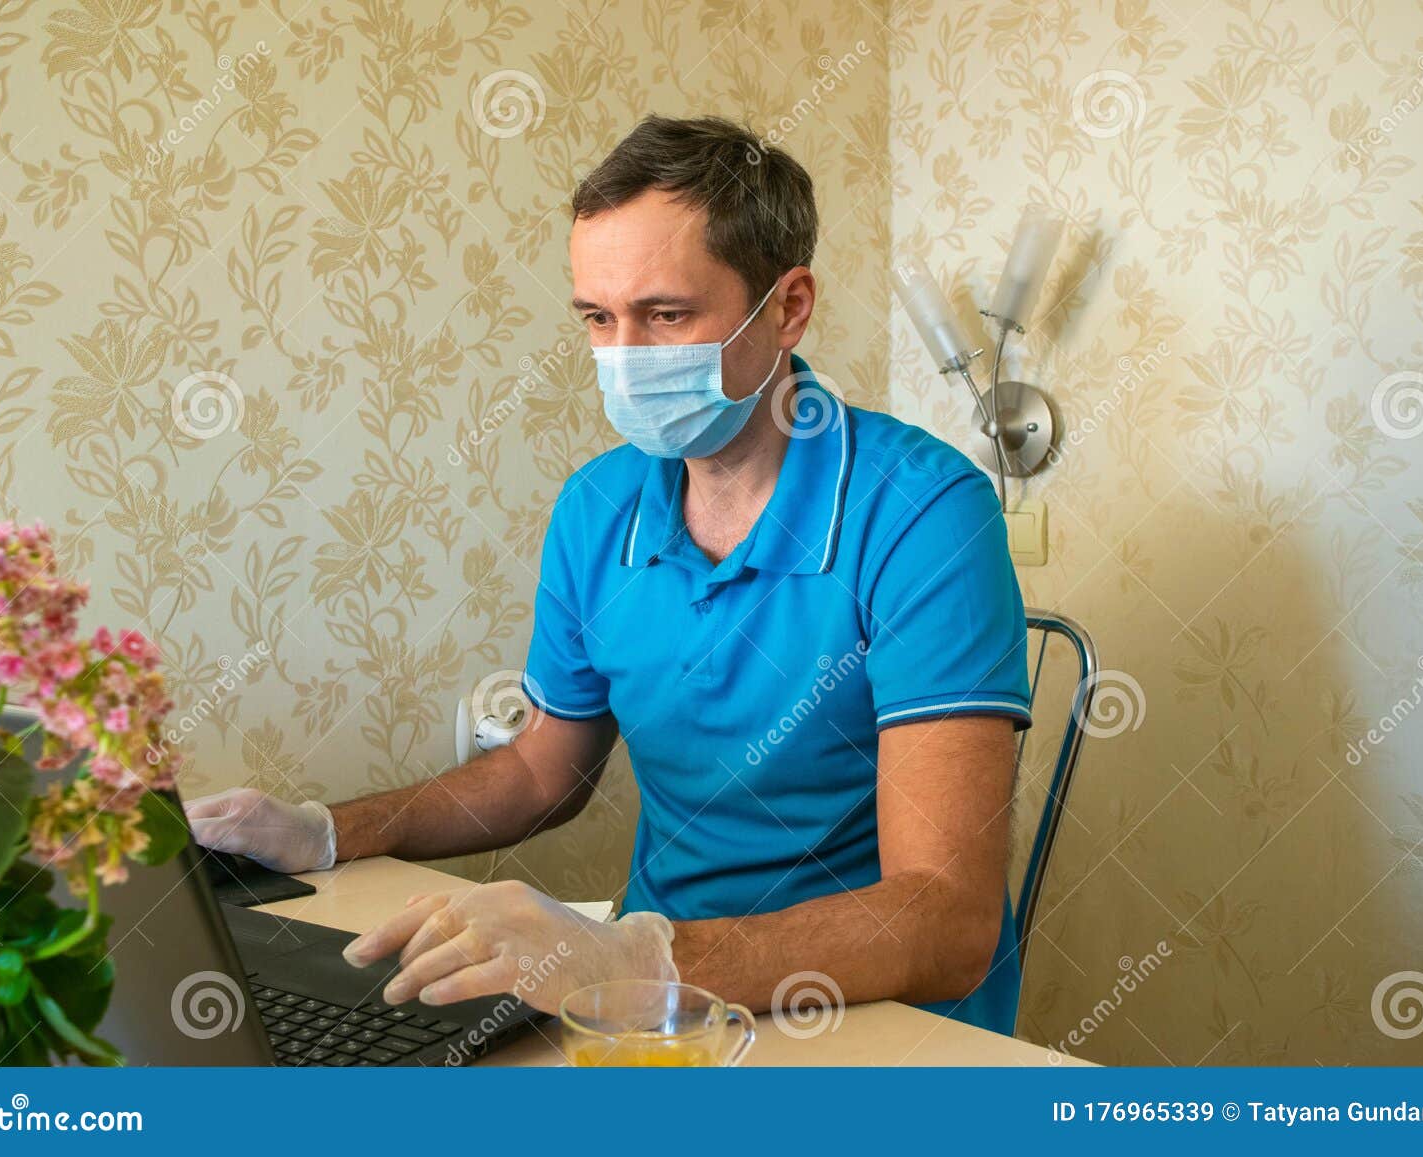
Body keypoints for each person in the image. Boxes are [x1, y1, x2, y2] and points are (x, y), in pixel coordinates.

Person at [187, 115, 1031, 1034]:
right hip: (653, 1007)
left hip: (868, 1013)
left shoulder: (921, 511)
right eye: (599, 318)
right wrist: (325, 832)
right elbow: (541, 773)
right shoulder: (599, 508)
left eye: (666, 315)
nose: (625, 357)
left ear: (788, 307)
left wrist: (646, 957)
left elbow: (949, 920)